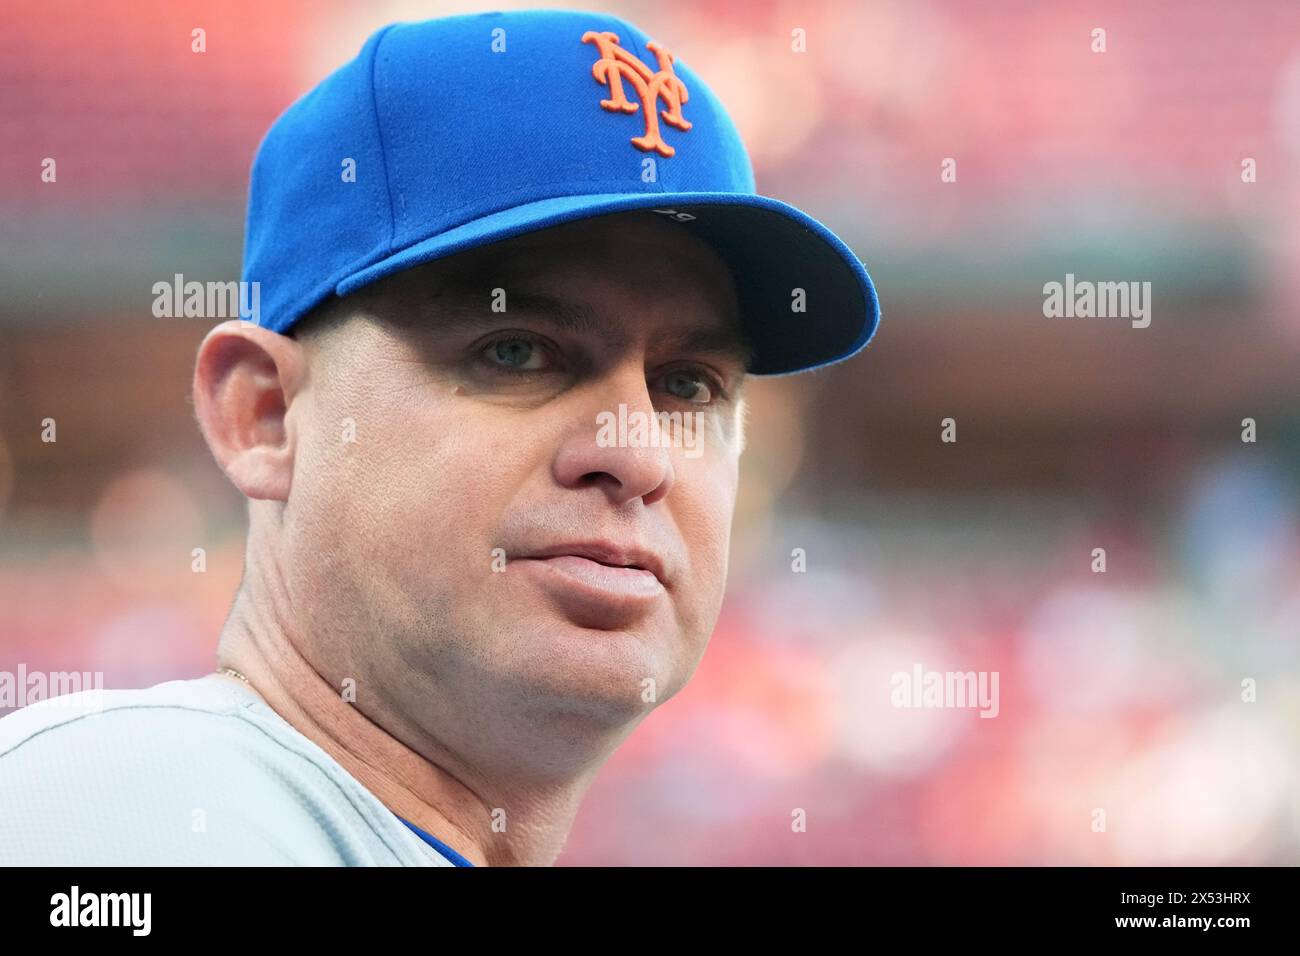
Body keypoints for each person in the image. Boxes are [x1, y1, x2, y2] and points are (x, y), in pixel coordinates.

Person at [0, 8, 879, 866]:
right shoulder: (133, 808)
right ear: (264, 415)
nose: (638, 453)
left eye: (687, 383)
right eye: (518, 351)